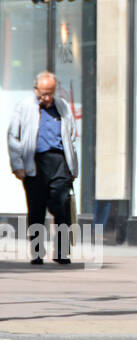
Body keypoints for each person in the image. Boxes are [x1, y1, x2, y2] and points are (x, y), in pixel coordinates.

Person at [8, 72, 79, 264]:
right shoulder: (24, 107)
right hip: (35, 163)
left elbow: (71, 135)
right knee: (37, 210)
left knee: (62, 207)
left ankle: (62, 252)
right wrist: (17, 165)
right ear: (36, 89)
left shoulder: (62, 106)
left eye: (50, 93)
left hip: (59, 162)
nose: (47, 98)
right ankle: (37, 252)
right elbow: (13, 137)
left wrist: (72, 166)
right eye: (43, 93)